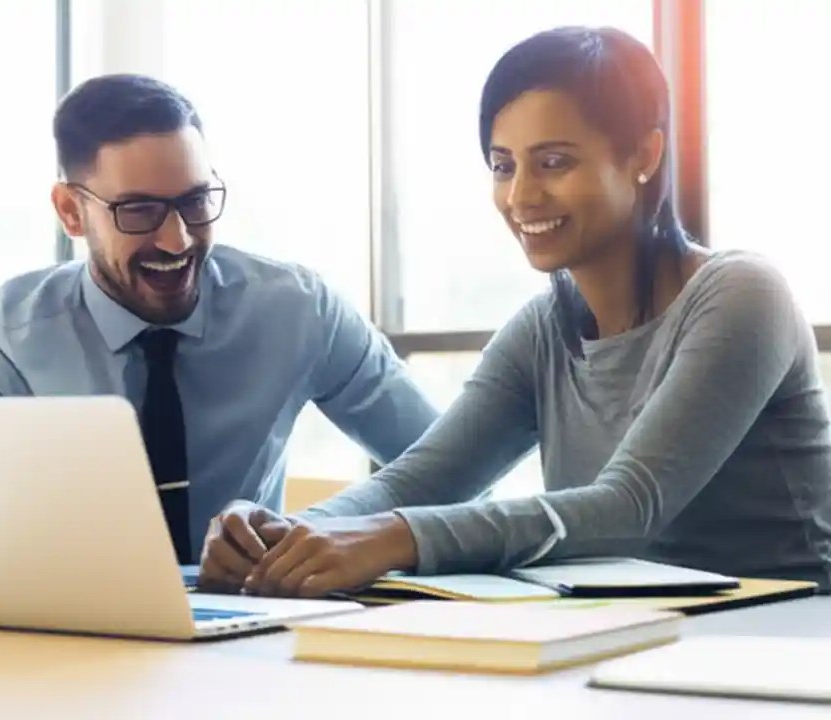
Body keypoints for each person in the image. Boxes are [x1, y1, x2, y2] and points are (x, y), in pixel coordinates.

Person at [203, 26, 831, 596]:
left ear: (644, 155)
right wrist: (283, 536)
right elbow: (417, 481)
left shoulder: (742, 294)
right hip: (624, 632)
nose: (521, 195)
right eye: (503, 166)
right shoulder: (542, 330)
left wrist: (397, 537)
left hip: (781, 638)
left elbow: (629, 507)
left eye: (554, 163)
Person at [0, 73, 438, 580]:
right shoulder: (1, 340)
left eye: (195, 202)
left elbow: (446, 469)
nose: (178, 240)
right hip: (74, 633)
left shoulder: (298, 311)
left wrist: (302, 533)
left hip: (254, 628)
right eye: (139, 211)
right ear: (71, 211)